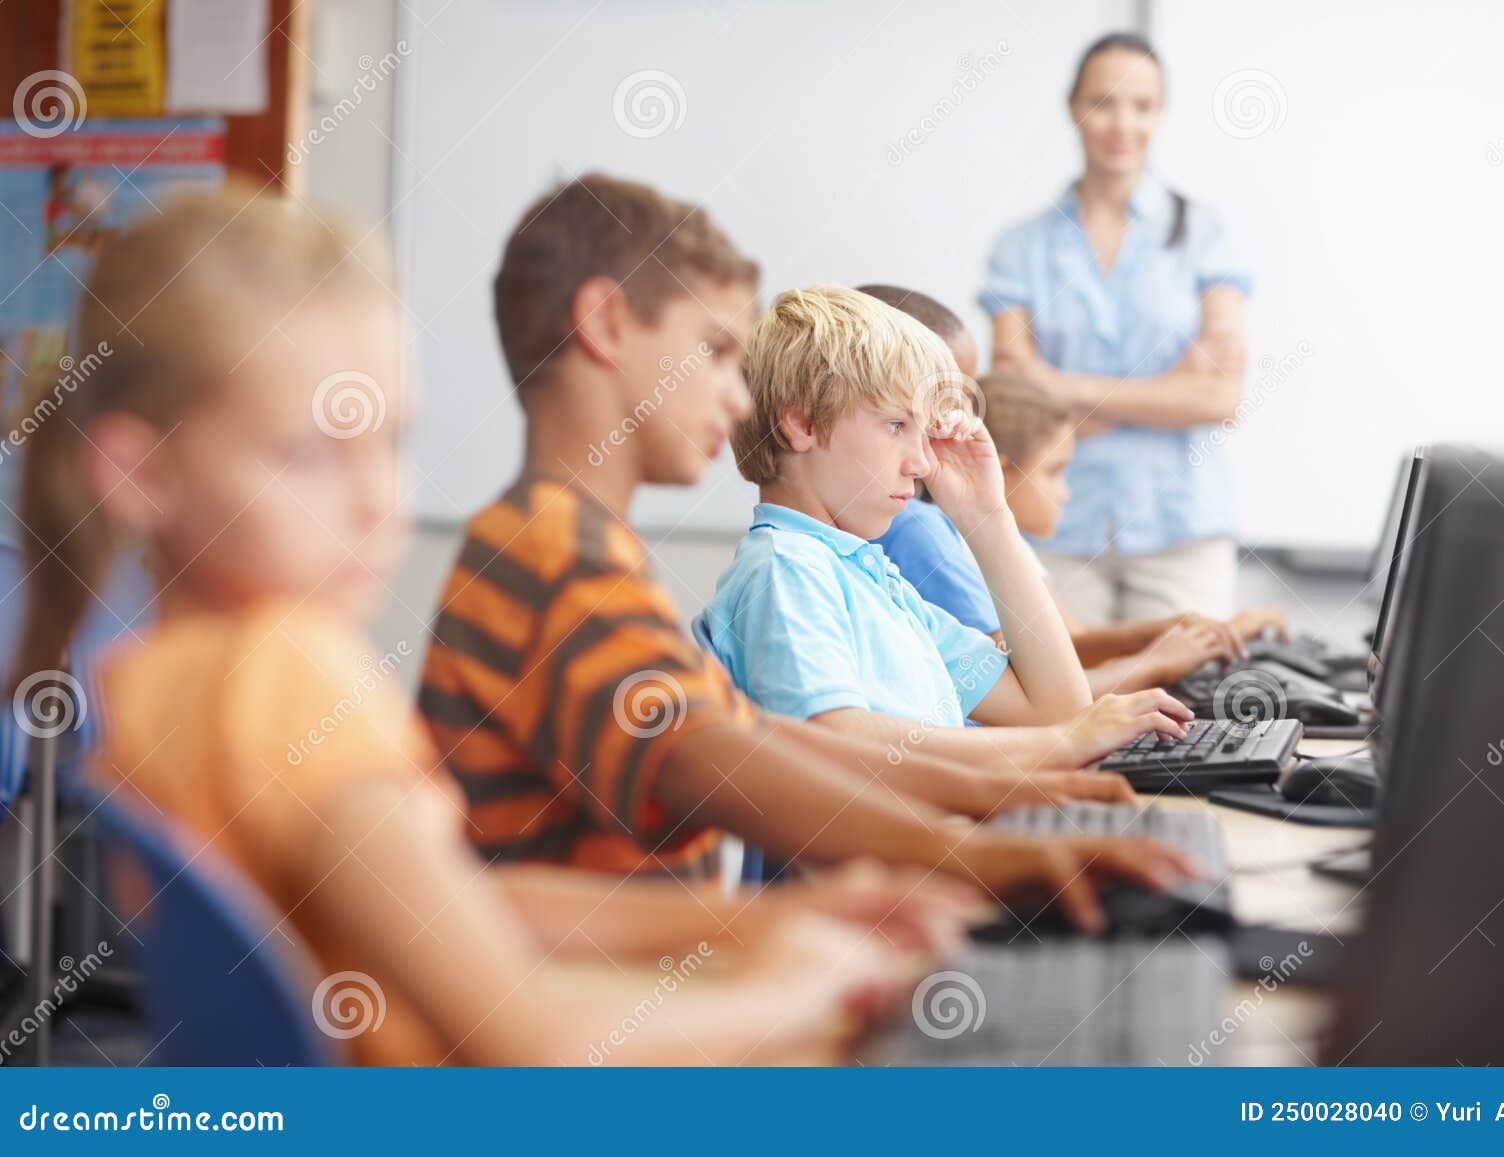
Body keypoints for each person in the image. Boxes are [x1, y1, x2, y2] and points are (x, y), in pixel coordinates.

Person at [10, 188, 960, 1066]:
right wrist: (803, 986)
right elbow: (535, 1042)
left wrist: (736, 929)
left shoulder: (158, 676)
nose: (378, 502)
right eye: (310, 454)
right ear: (140, 474)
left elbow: (452, 907)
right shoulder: (288, 675)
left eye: (392, 443)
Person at [419, 174, 1199, 935]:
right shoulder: (554, 560)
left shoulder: (589, 554)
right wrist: (996, 824)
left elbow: (761, 741)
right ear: (608, 323)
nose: (737, 395)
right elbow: (771, 753)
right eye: (715, 351)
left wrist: (1021, 782)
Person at [707, 282, 1197, 777]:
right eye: (897, 425)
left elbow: (1057, 707)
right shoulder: (786, 569)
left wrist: (987, 519)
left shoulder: (875, 580)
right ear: (803, 424)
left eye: (926, 433)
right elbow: (834, 739)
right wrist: (1059, 743)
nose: (922, 462)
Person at [858, 284, 1278, 690]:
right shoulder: (918, 529)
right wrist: (1156, 663)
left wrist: (1169, 639)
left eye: (964, 397)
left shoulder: (940, 529)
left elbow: (1060, 656)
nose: (959, 419)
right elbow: (1044, 693)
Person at [984, 32, 1257, 626]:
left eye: (1142, 105)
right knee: (1070, 700)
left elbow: (1219, 396)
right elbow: (1012, 405)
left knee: (1190, 706)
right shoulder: (1019, 248)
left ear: (1160, 114)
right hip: (1057, 527)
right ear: (1073, 106)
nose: (1122, 124)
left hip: (1181, 530)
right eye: (1103, 102)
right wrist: (1167, 393)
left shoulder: (1206, 236)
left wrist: (1060, 387)